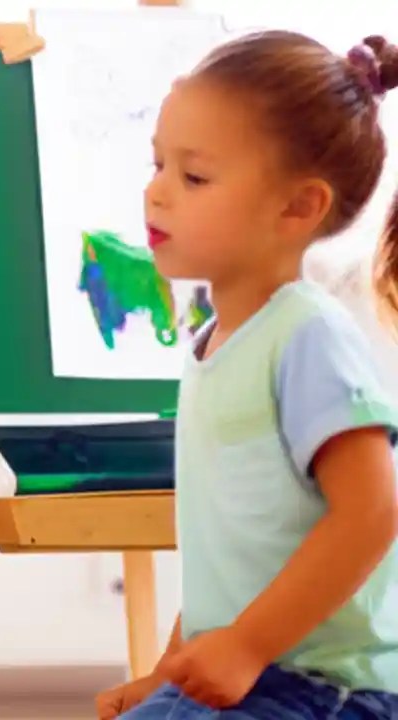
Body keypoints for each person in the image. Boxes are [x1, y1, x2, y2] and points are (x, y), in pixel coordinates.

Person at [95, 31, 398, 719]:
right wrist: (173, 672)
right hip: (264, 673)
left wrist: (245, 646)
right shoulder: (216, 345)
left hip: (325, 690)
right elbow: (230, 567)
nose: (157, 193)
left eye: (193, 176)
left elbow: (373, 511)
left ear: (298, 208)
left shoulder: (308, 336)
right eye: (157, 165)